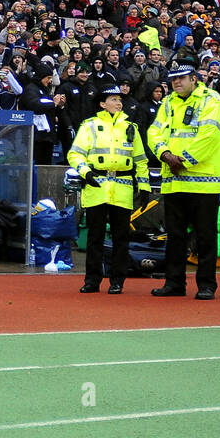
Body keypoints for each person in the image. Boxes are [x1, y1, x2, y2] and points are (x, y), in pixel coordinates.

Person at [147, 64, 220, 300]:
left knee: (205, 237)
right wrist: (164, 154)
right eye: (173, 79)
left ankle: (206, 285)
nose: (176, 83)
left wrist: (184, 161)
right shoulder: (169, 102)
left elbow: (210, 136)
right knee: (175, 237)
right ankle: (174, 283)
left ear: (194, 79)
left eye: (181, 78)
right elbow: (154, 132)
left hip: (204, 183)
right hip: (174, 181)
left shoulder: (211, 100)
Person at [67, 86, 148, 294]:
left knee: (121, 237)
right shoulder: (90, 126)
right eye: (113, 99)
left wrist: (145, 186)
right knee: (95, 237)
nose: (119, 103)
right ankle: (92, 280)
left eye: (120, 100)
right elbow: (75, 155)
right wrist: (87, 173)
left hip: (122, 188)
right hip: (97, 186)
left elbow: (140, 159)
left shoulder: (131, 127)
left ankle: (117, 280)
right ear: (103, 104)